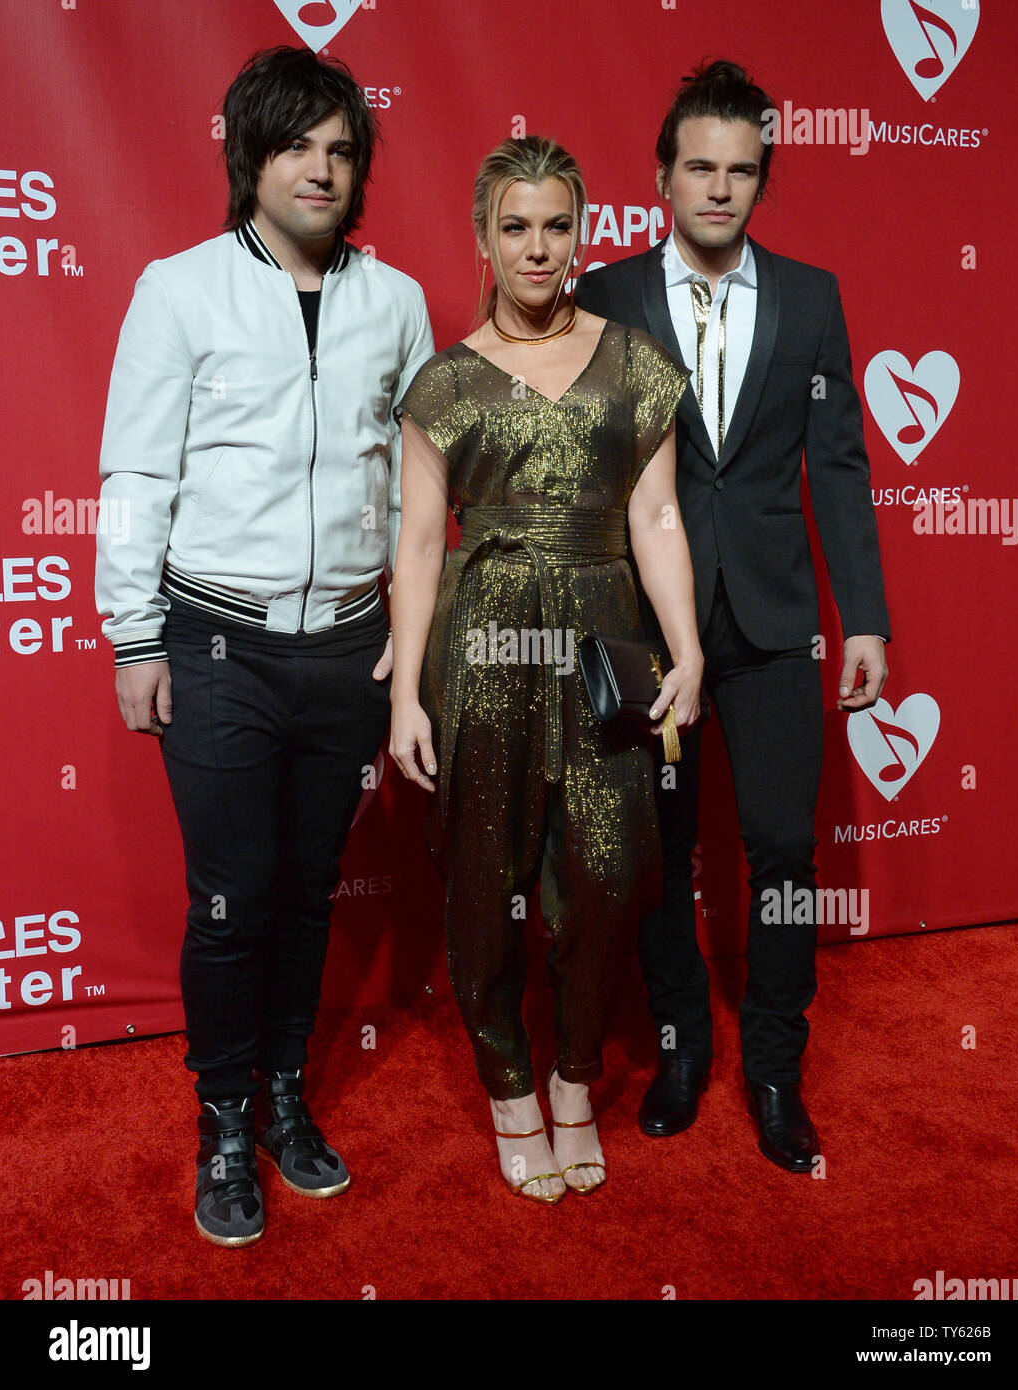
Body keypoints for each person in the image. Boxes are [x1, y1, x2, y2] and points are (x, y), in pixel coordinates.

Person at [95, 46, 434, 1245]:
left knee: (304, 897)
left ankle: (287, 1097)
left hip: (345, 651)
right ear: (249, 153)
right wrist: (135, 635)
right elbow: (136, 469)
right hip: (216, 647)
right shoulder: (177, 288)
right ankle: (224, 1121)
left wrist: (409, 635)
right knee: (232, 902)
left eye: (342, 149)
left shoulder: (393, 302)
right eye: (298, 143)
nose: (322, 168)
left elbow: (410, 488)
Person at [575, 60, 890, 1172]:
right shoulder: (606, 294)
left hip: (770, 624)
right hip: (649, 626)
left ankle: (773, 1069)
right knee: (658, 855)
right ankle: (677, 1053)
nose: (719, 189)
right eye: (699, 168)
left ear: (762, 182)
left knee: (781, 850)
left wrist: (865, 615)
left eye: (741, 171)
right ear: (661, 176)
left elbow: (841, 467)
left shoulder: (811, 297)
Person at [389, 136, 703, 1204]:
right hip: (482, 643)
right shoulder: (442, 383)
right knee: (487, 876)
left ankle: (578, 1074)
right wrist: (402, 697)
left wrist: (689, 646)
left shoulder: (634, 361)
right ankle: (510, 1081)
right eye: (514, 226)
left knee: (608, 876)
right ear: (483, 237)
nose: (537, 247)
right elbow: (421, 545)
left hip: (605, 633)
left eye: (556, 225)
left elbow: (656, 515)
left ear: (582, 232)